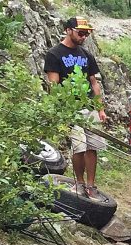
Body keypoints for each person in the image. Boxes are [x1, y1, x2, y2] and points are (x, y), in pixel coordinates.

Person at [44, 17, 107, 197]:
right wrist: (59, 109)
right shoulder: (54, 54)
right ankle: (79, 183)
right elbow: (54, 86)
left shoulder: (86, 55)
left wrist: (100, 109)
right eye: (81, 32)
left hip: (89, 106)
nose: (84, 36)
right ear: (68, 30)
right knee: (79, 146)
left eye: (86, 33)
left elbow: (94, 83)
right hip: (71, 107)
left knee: (93, 146)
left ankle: (91, 186)